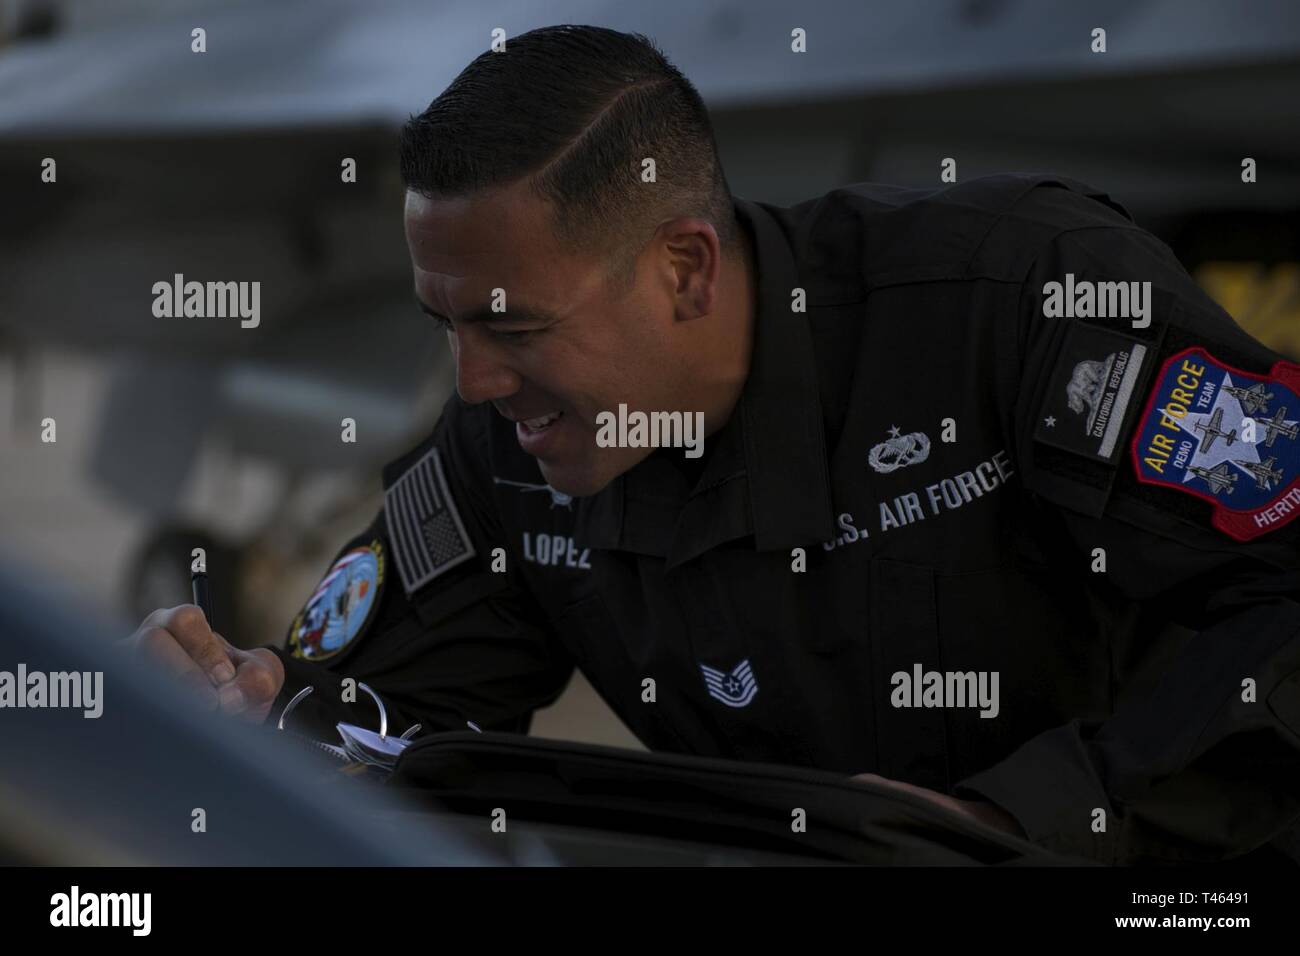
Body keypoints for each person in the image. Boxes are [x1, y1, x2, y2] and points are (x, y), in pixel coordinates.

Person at [125, 25, 1300, 865]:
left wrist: (1018, 823)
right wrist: (242, 704)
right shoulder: (506, 445)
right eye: (447, 325)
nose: (473, 382)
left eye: (514, 326)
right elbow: (375, 714)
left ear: (683, 266)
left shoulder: (1020, 303)